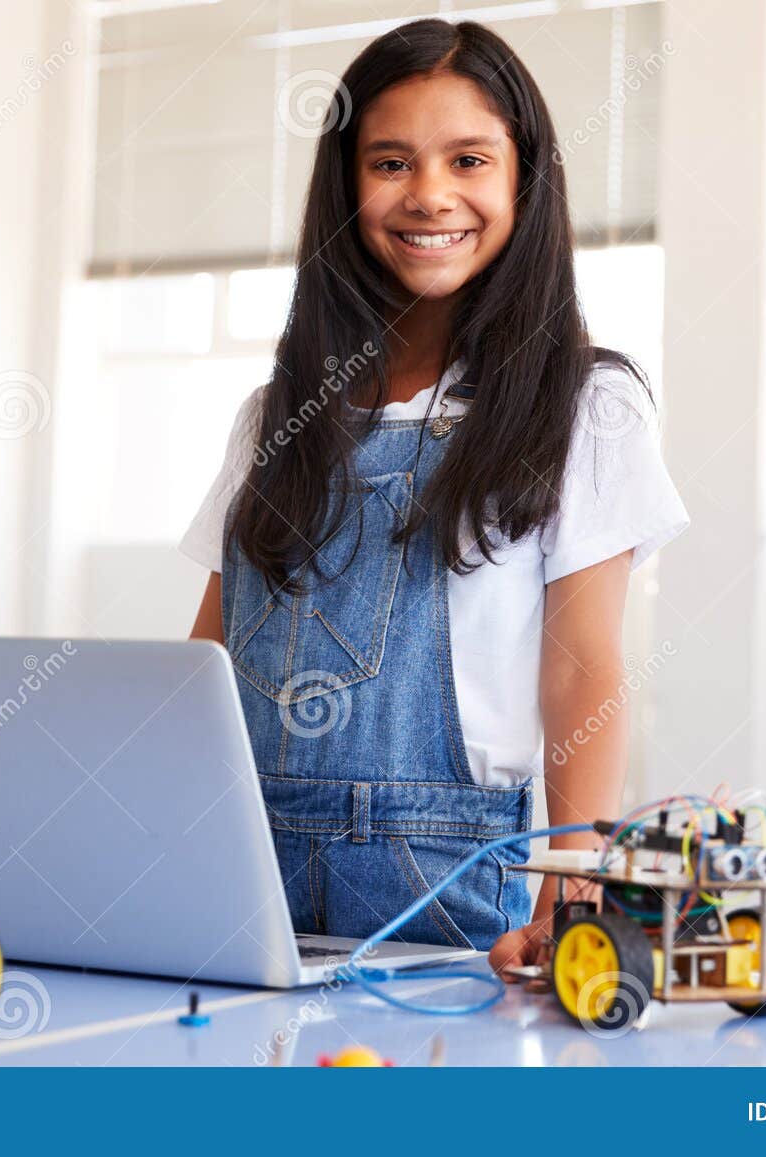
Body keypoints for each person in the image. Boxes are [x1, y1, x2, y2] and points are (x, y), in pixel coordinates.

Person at [182, 18, 688, 977]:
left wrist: (572, 876)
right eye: (390, 162)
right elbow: (205, 666)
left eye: (469, 159)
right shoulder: (273, 416)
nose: (430, 196)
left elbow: (584, 671)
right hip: (244, 868)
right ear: (346, 185)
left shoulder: (585, 405)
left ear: (523, 181)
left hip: (450, 883)